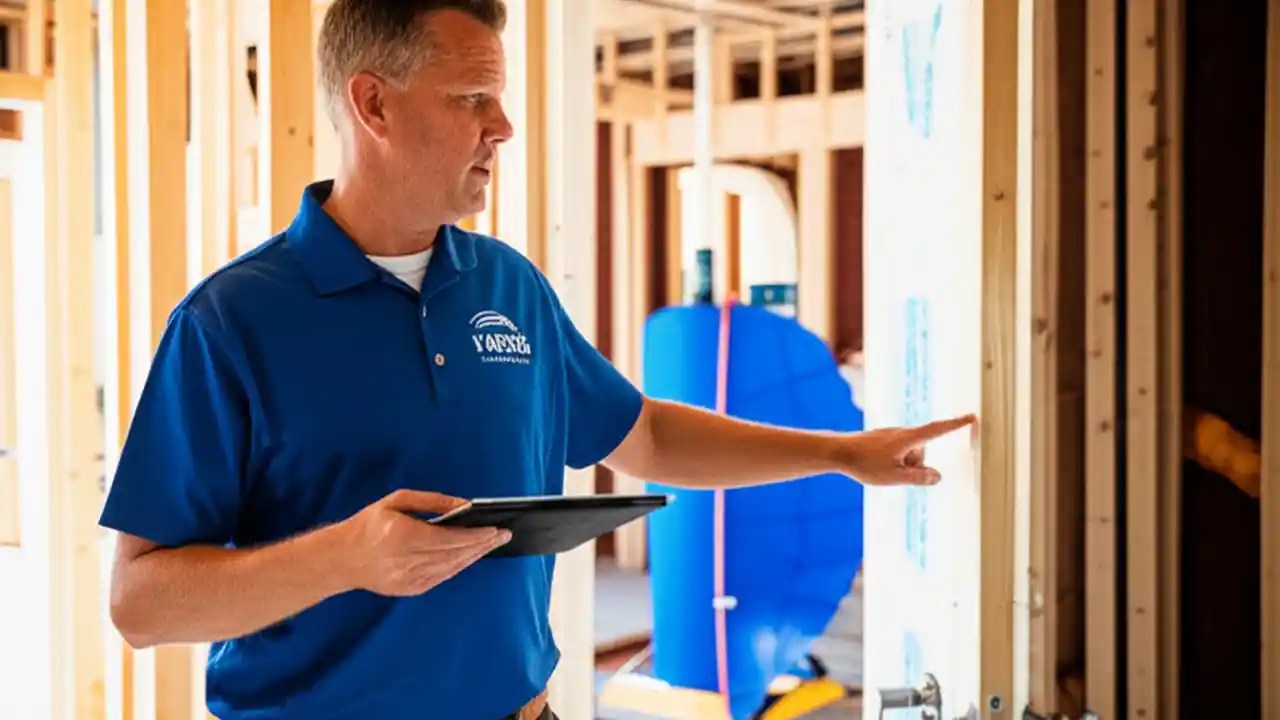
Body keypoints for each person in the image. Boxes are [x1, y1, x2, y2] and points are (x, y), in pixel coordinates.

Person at [99, 2, 977, 718]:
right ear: (373, 106)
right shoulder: (231, 322)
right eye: (471, 98)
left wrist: (835, 452)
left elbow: (648, 441)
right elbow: (139, 604)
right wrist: (346, 557)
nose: (504, 126)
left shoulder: (505, 286)